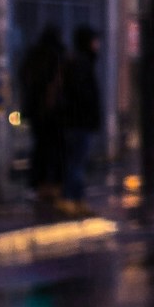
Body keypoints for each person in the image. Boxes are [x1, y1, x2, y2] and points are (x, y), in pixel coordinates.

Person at [20, 24, 67, 210]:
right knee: (55, 149)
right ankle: (53, 184)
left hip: (37, 112)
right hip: (53, 113)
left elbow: (24, 77)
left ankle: (38, 184)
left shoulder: (34, 56)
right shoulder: (57, 55)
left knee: (40, 148)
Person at [58, 27, 101, 214]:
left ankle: (77, 199)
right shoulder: (81, 64)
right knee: (76, 162)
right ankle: (70, 198)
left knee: (77, 162)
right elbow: (81, 95)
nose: (97, 45)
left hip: (77, 121)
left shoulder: (80, 62)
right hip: (78, 122)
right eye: (94, 40)